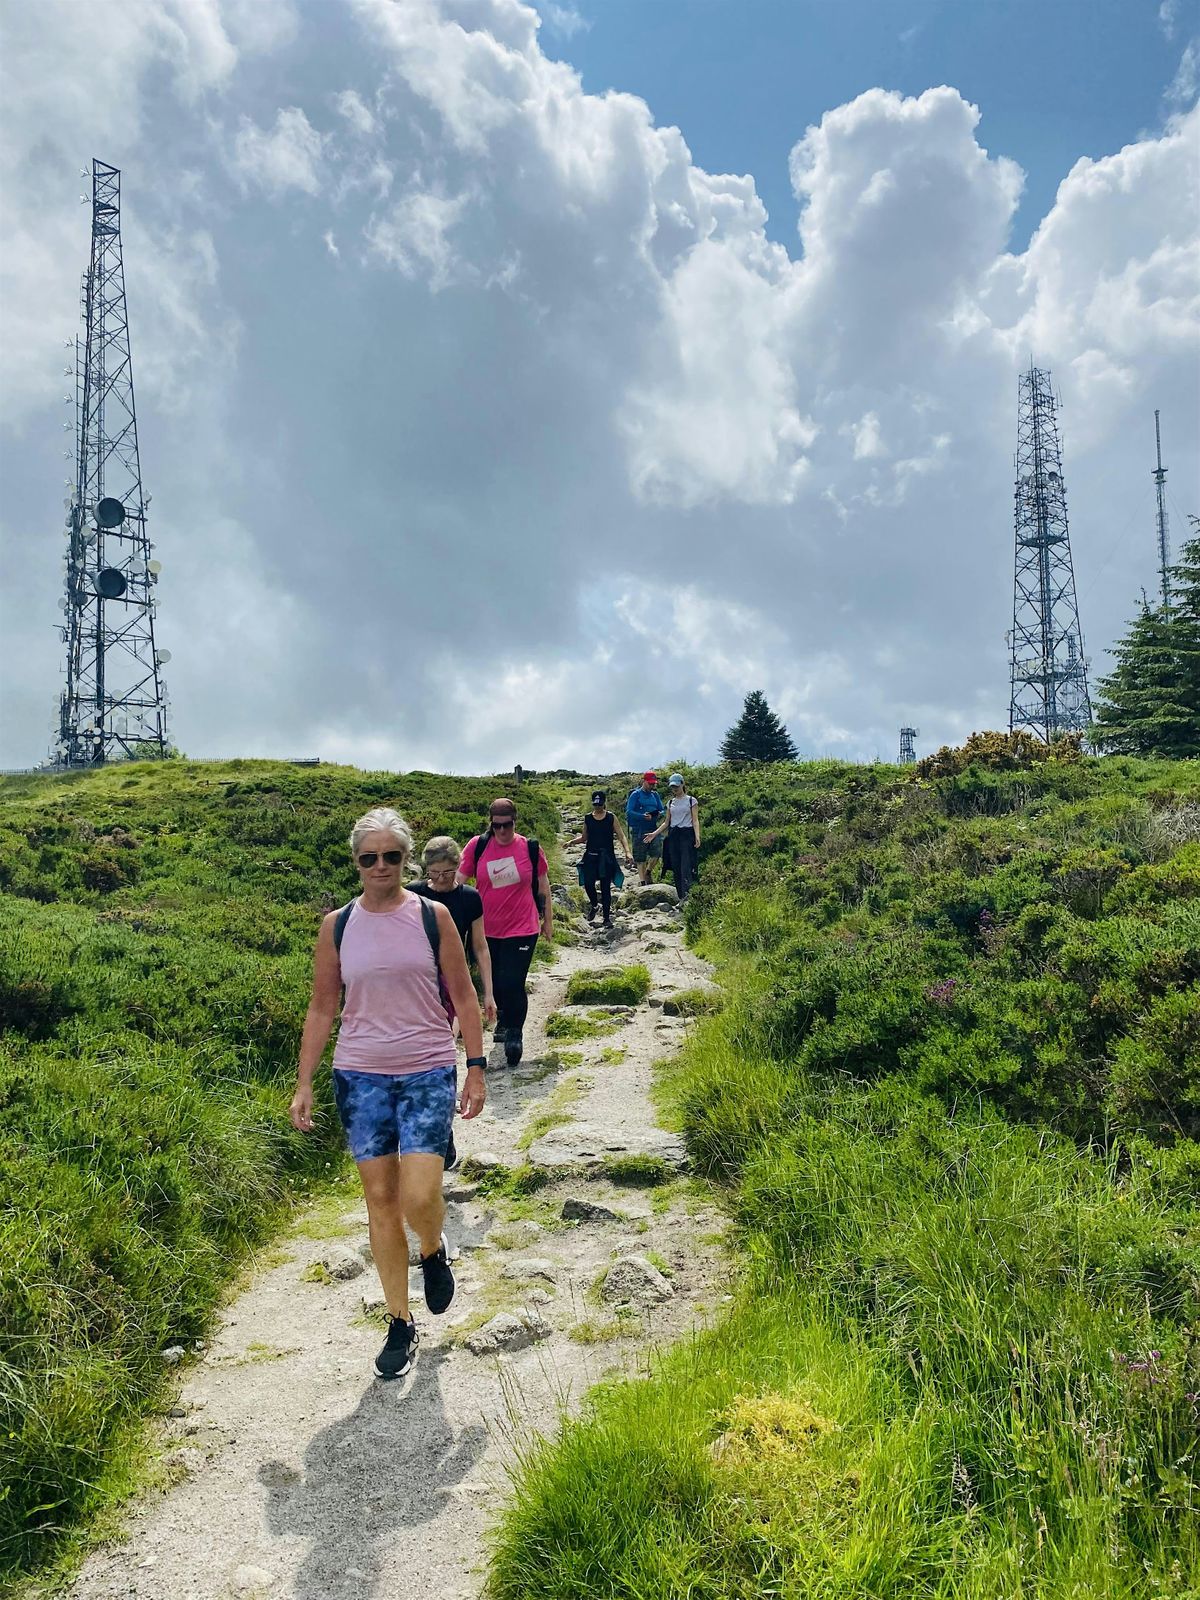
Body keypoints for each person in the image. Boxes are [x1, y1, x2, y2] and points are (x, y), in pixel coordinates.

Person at [289, 808, 487, 1383]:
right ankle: (399, 1323)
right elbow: (323, 1005)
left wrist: (474, 1068)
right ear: (356, 863)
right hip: (360, 1075)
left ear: (407, 859)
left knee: (419, 1193)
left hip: (427, 1069)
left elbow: (465, 997)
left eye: (391, 856)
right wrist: (304, 1080)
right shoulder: (338, 926)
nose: (380, 866)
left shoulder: (434, 916)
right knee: (379, 1200)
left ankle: (432, 1248)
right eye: (368, 857)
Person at [407, 836, 496, 1170]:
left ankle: (442, 1138)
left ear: (459, 867)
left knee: (442, 1057)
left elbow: (481, 947)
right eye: (434, 874)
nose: (441, 880)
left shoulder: (469, 898)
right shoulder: (414, 894)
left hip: (451, 987)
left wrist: (487, 993)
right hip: (414, 985)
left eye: (447, 873)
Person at [456, 797, 551, 1067]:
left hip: (523, 926)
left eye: (506, 825)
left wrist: (548, 922)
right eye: (496, 826)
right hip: (486, 930)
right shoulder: (478, 846)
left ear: (514, 822)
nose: (501, 832)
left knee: (512, 981)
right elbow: (459, 881)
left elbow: (543, 886)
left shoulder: (530, 848)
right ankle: (504, 1018)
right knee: (494, 983)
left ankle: (514, 1032)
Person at [571, 789, 632, 928]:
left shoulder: (611, 817)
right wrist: (571, 842)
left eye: (600, 804)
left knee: (605, 887)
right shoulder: (588, 818)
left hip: (607, 857)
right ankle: (594, 905)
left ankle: (606, 918)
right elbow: (584, 837)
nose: (597, 807)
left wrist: (627, 852)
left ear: (604, 803)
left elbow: (621, 835)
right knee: (588, 883)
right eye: (595, 804)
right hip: (591, 856)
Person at [645, 773, 700, 903]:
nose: (675, 789)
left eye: (677, 785)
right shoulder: (670, 803)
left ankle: (688, 896)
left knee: (686, 865)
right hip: (674, 835)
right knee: (676, 866)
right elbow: (666, 822)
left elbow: (695, 820)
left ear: (682, 784)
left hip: (687, 834)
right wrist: (654, 834)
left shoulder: (691, 801)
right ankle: (681, 897)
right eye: (672, 786)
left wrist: (697, 836)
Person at [625, 771, 665, 886]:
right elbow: (629, 811)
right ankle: (642, 882)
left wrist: (656, 814)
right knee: (640, 857)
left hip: (653, 828)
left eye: (654, 784)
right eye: (650, 783)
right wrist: (642, 816)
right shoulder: (635, 795)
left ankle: (648, 872)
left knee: (657, 853)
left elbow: (662, 810)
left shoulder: (655, 795)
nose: (652, 786)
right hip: (639, 829)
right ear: (644, 781)